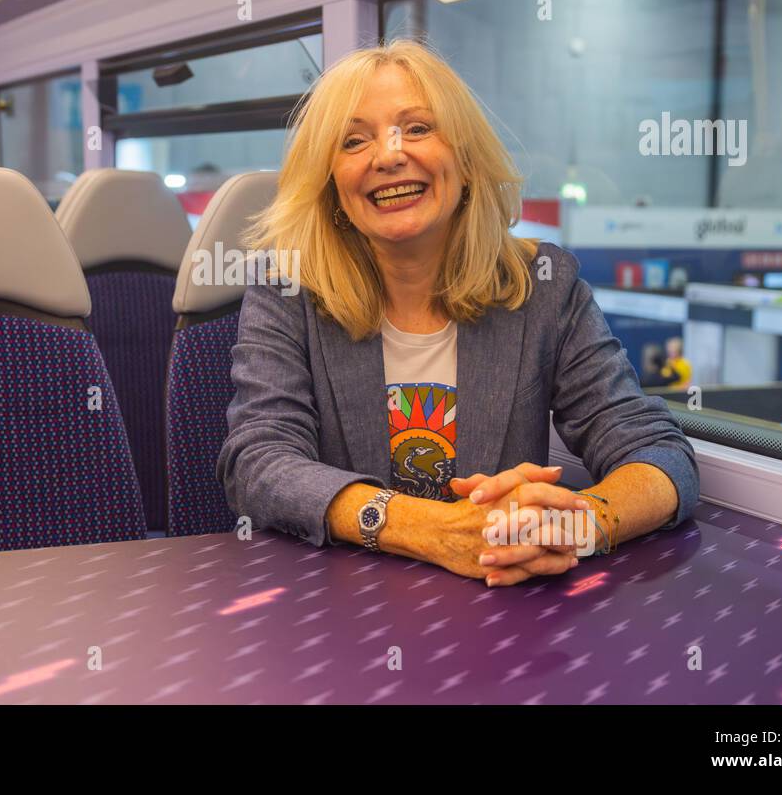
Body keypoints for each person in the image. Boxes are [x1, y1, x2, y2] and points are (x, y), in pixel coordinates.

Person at [217, 39, 698, 587]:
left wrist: (578, 525)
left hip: (504, 608)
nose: (388, 156)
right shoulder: (288, 292)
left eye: (417, 128)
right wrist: (431, 528)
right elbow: (257, 464)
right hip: (343, 607)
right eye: (354, 140)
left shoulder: (544, 287)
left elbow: (658, 451)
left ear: (467, 161)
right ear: (331, 186)